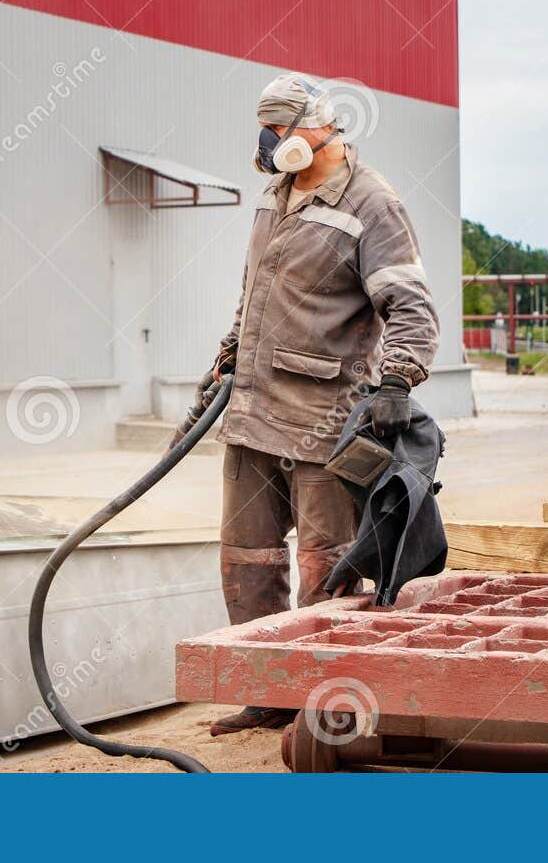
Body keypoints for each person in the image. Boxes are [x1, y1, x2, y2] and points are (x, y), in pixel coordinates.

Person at [202, 72, 439, 736]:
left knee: (326, 564)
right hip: (251, 411)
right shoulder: (274, 195)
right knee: (246, 558)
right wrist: (230, 350)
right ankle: (265, 693)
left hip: (321, 419)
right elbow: (255, 292)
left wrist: (397, 380)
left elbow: (410, 303)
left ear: (313, 128)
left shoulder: (371, 201)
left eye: (274, 130)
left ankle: (322, 701)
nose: (267, 144)